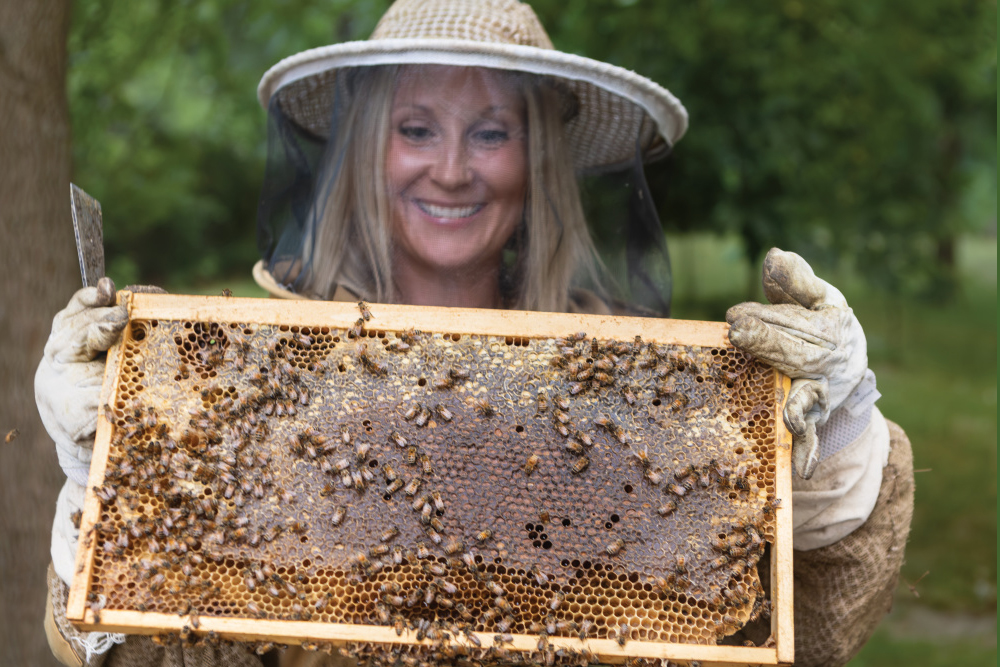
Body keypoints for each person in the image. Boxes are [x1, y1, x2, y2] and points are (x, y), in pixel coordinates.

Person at [36, 1, 913, 666]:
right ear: (368, 148)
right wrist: (106, 466)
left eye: (490, 133)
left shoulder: (640, 397)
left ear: (537, 162)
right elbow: (142, 651)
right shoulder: (240, 384)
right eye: (417, 129)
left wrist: (838, 431)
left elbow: (810, 623)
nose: (451, 170)